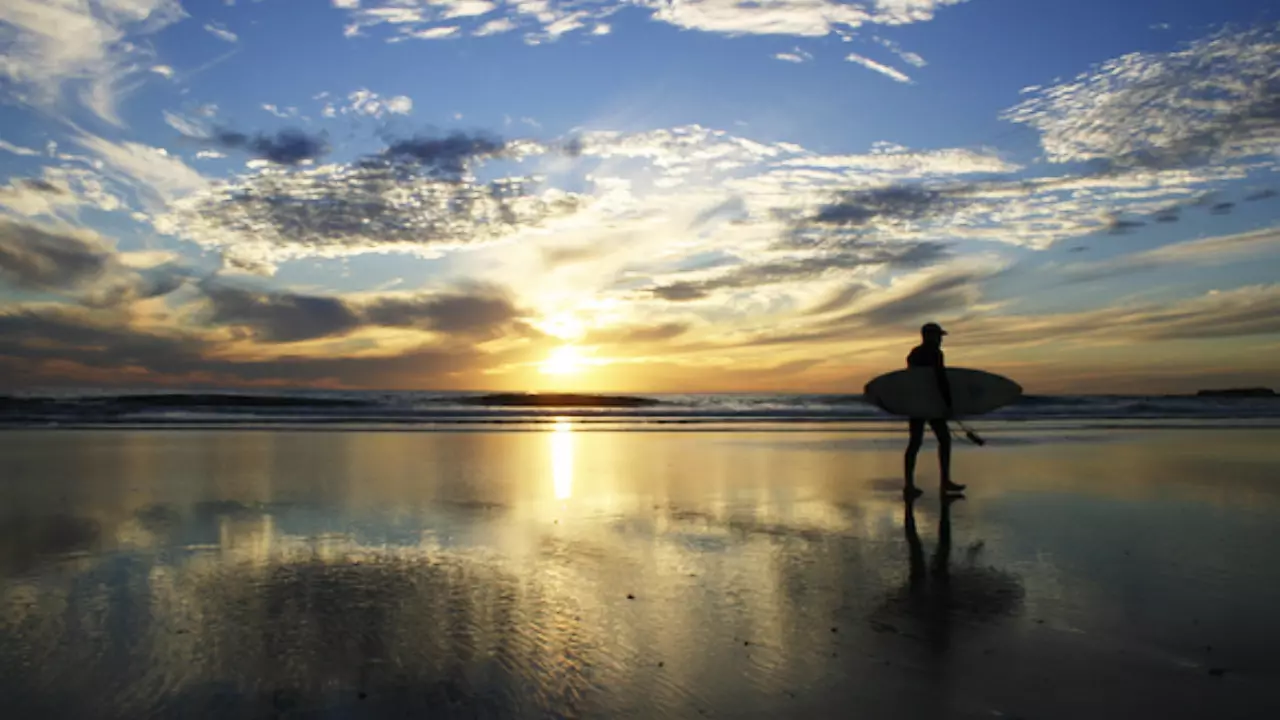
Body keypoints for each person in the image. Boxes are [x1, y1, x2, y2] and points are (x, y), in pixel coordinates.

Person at [904, 322, 966, 498]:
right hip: (931, 403)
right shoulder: (935, 354)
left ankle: (909, 485)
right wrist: (948, 403)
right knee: (944, 440)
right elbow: (940, 379)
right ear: (929, 336)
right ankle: (944, 481)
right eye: (938, 336)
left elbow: (912, 380)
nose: (940, 340)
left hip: (916, 403)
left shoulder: (913, 354)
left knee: (915, 443)